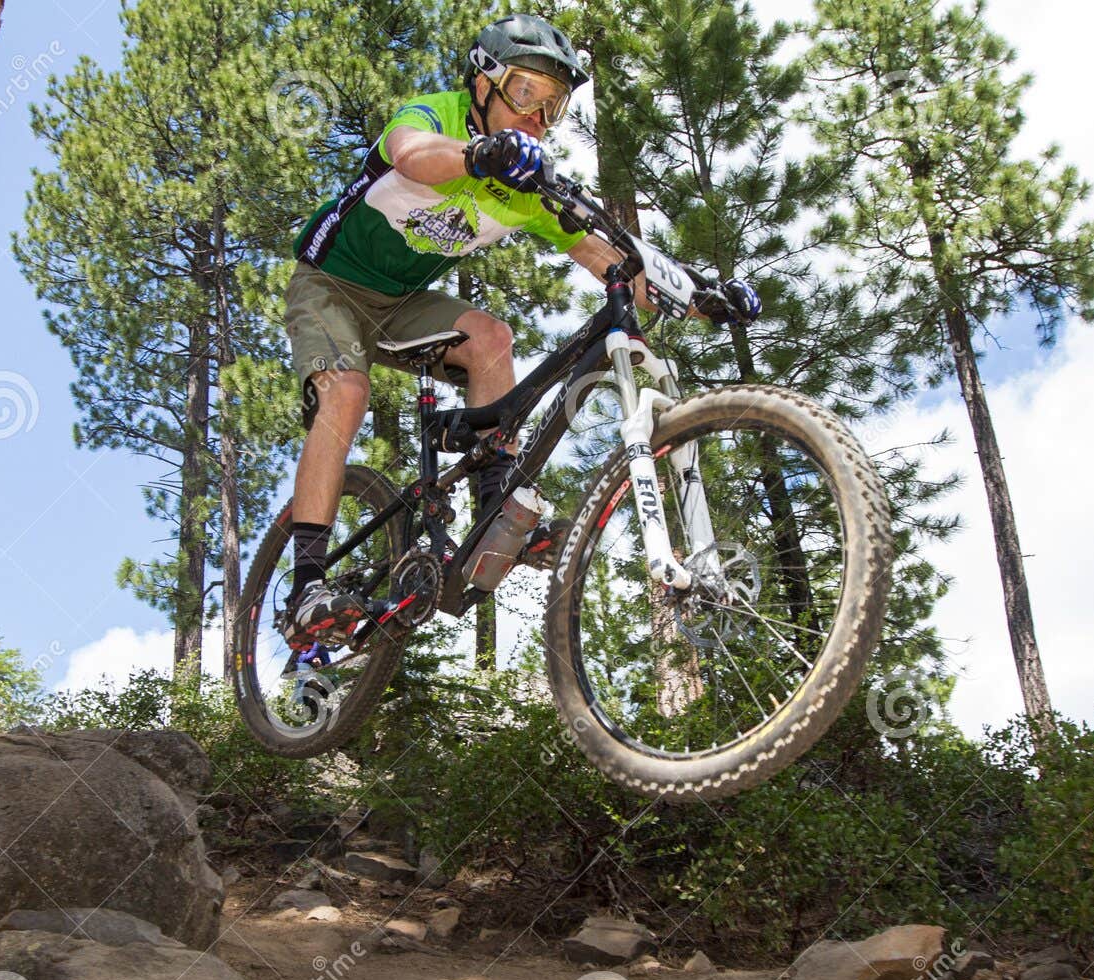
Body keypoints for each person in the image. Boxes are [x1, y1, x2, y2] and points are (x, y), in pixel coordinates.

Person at [281, 14, 760, 646]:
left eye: (552, 105)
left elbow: (605, 254)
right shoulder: (437, 117)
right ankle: (307, 586)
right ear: (482, 84)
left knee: (492, 338)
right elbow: (410, 156)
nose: (537, 116)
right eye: (524, 93)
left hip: (400, 304)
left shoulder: (526, 190)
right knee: (345, 393)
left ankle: (494, 512)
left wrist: (700, 296)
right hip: (330, 287)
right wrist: (481, 154)